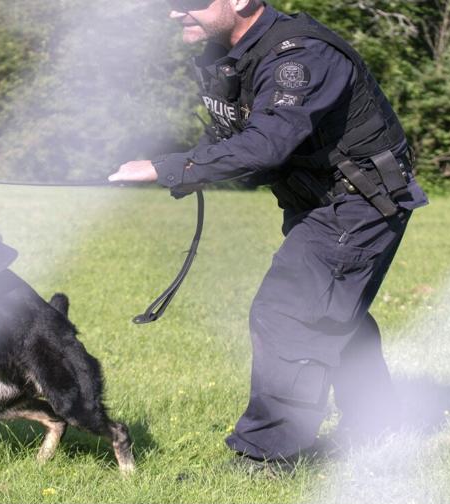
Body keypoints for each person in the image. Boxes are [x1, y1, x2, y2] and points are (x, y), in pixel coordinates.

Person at [109, 0, 426, 465]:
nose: (175, 13)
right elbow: (232, 132)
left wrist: (174, 167)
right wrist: (184, 169)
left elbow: (266, 145)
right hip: (315, 198)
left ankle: (268, 457)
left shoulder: (301, 57)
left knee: (288, 312)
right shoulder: (228, 52)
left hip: (359, 201)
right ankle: (378, 424)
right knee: (334, 308)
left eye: (189, 2)